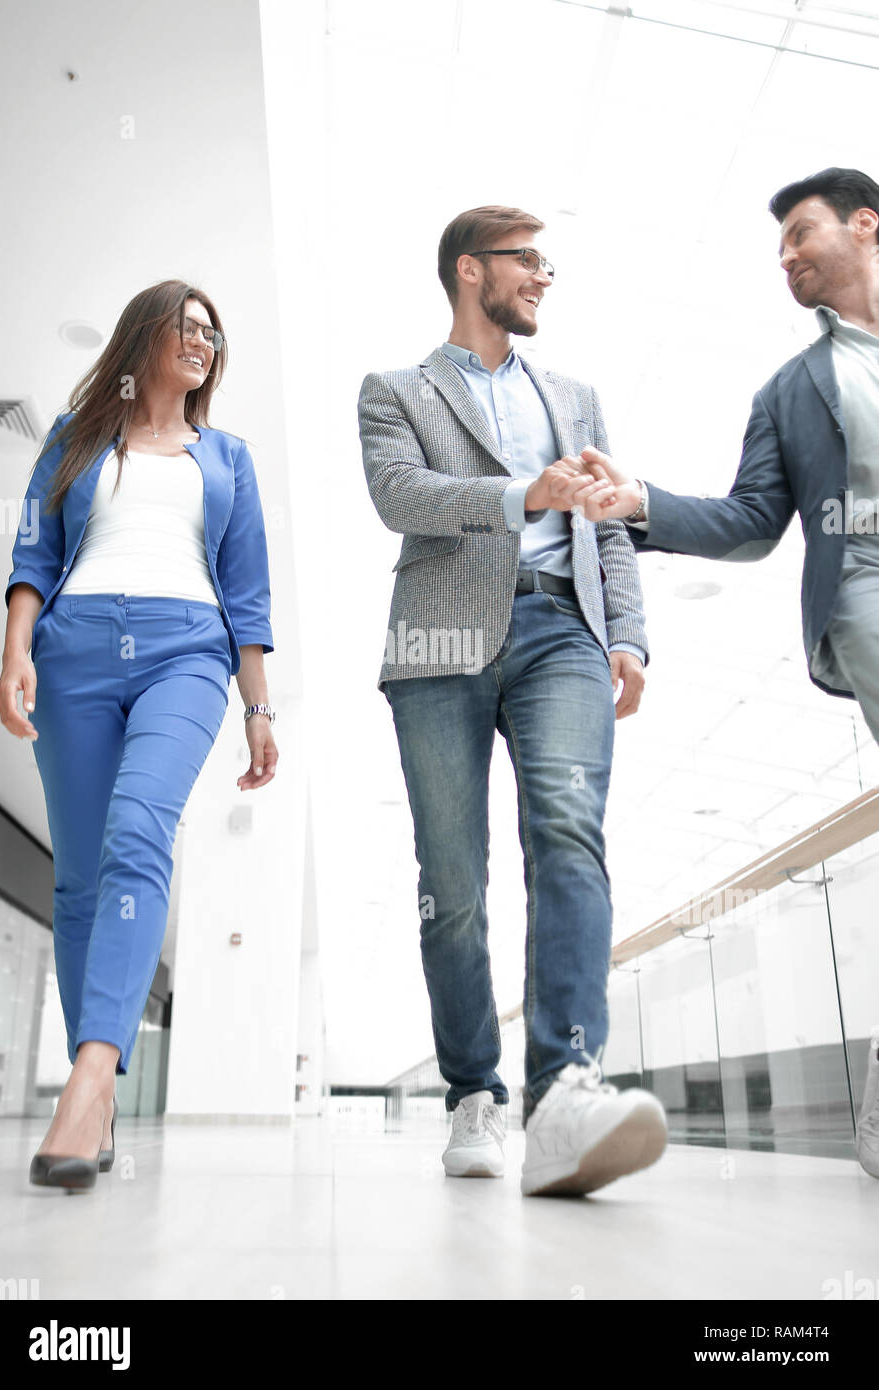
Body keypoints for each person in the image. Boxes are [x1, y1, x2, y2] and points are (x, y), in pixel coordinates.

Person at [566, 167, 879, 1180]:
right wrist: (638, 501)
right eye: (779, 245)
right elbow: (750, 525)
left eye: (801, 234)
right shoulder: (792, 393)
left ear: (865, 226)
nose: (785, 256)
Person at [358, 206, 668, 1197]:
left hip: (562, 635)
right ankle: (471, 1094)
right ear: (468, 270)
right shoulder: (395, 389)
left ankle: (566, 1085)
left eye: (544, 259)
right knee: (452, 879)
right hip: (439, 638)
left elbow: (612, 524)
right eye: (525, 260)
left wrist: (626, 632)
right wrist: (521, 494)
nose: (542, 276)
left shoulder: (576, 396)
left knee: (569, 836)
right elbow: (400, 495)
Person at [0, 280, 278, 1190]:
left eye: (212, 333)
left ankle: (87, 1078)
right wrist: (15, 655)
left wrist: (259, 706)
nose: (201, 342)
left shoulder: (229, 455)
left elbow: (248, 592)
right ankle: (102, 1094)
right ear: (144, 336)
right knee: (78, 881)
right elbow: (33, 555)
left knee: (137, 832)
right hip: (73, 650)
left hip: (185, 655)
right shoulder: (75, 437)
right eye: (185, 327)